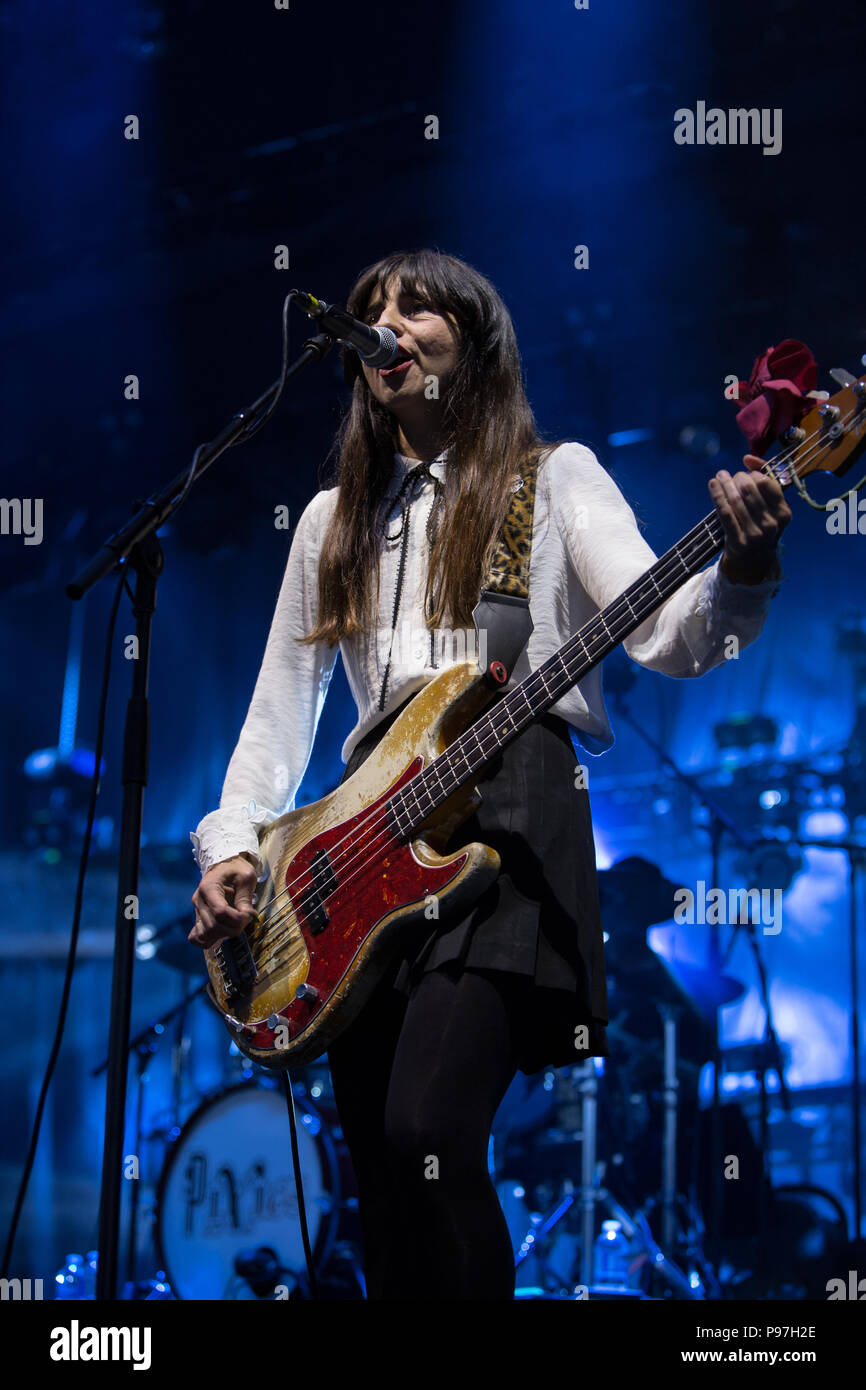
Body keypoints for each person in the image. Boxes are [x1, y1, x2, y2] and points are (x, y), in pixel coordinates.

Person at [189, 249, 790, 1299]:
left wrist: (740, 571)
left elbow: (670, 636)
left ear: (473, 339)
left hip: (506, 816)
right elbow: (276, 720)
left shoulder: (549, 479)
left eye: (417, 307)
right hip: (356, 849)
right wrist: (233, 843)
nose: (388, 324)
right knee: (382, 1172)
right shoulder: (331, 521)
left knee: (429, 1126)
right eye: (373, 310)